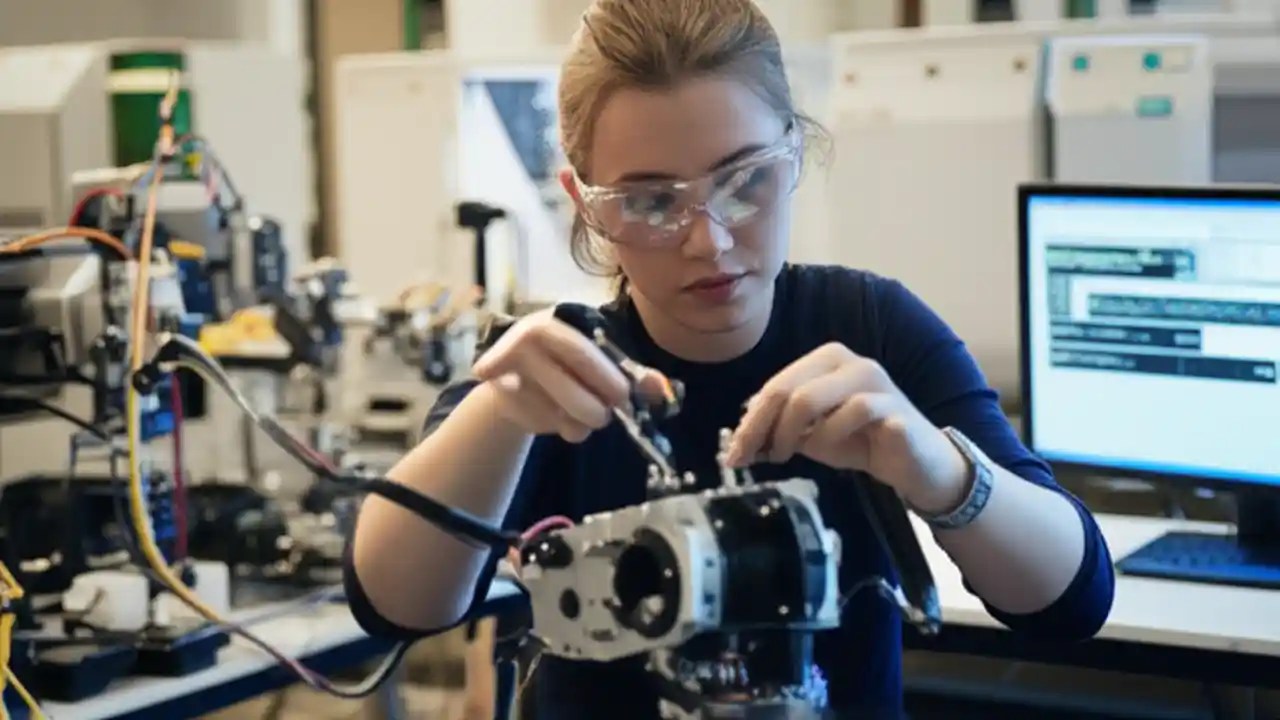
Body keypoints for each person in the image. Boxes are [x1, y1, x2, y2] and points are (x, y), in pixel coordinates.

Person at [344, 0, 1116, 717]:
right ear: (587, 206)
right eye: (651, 203)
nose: (708, 240)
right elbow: (392, 606)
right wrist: (497, 414)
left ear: (795, 156)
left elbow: (1070, 600)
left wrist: (937, 470)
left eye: (744, 182)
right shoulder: (553, 374)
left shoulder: (868, 327)